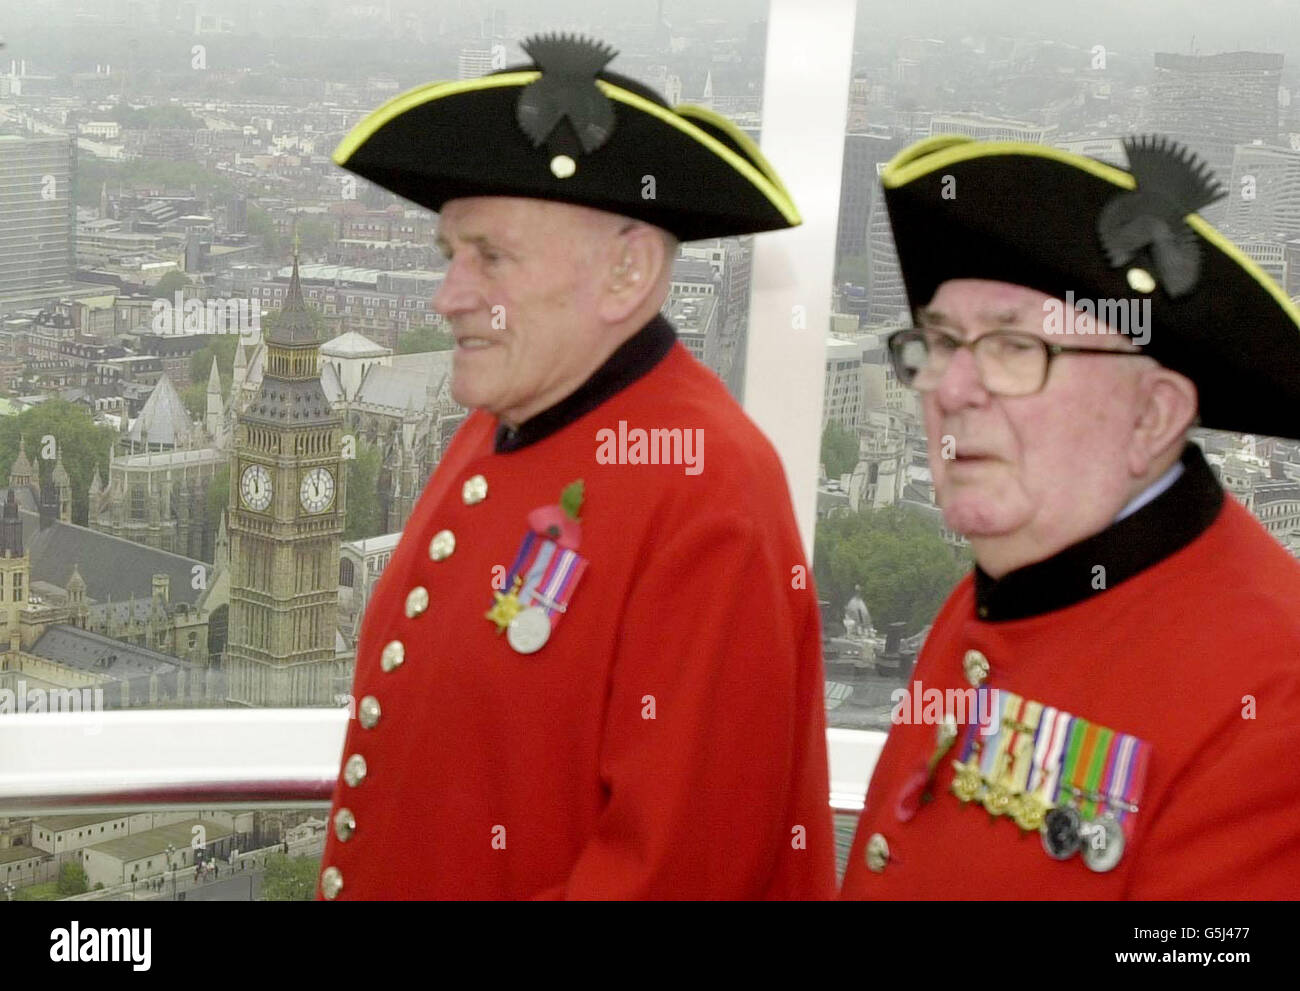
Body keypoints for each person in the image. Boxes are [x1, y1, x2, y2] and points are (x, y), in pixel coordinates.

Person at [315, 33, 835, 900]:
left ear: (627, 272)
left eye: (493, 256)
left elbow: (670, 875)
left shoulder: (711, 489)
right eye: (451, 254)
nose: (447, 296)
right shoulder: (504, 418)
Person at [841, 134, 1300, 898]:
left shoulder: (1275, 697)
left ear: (1152, 416)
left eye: (1014, 348)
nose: (951, 390)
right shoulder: (1015, 570)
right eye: (942, 341)